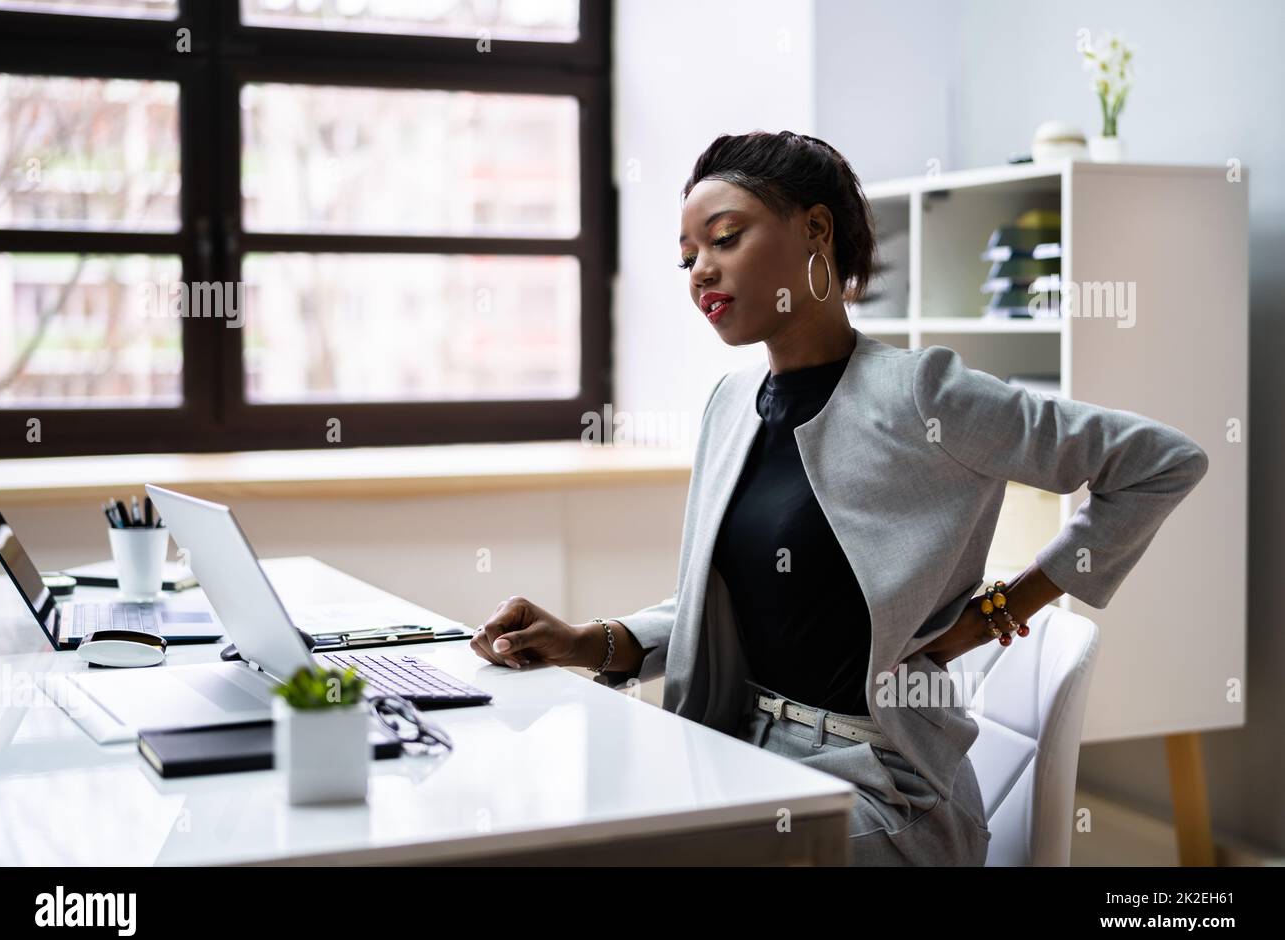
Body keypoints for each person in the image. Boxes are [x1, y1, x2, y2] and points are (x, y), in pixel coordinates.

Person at [469, 131, 1209, 866]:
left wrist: (1001, 611)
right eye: (688, 257)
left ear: (816, 230)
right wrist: (583, 642)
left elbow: (1159, 464)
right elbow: (722, 605)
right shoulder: (730, 404)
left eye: (724, 239)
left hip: (881, 787)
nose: (701, 271)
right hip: (735, 753)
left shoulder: (922, 394)